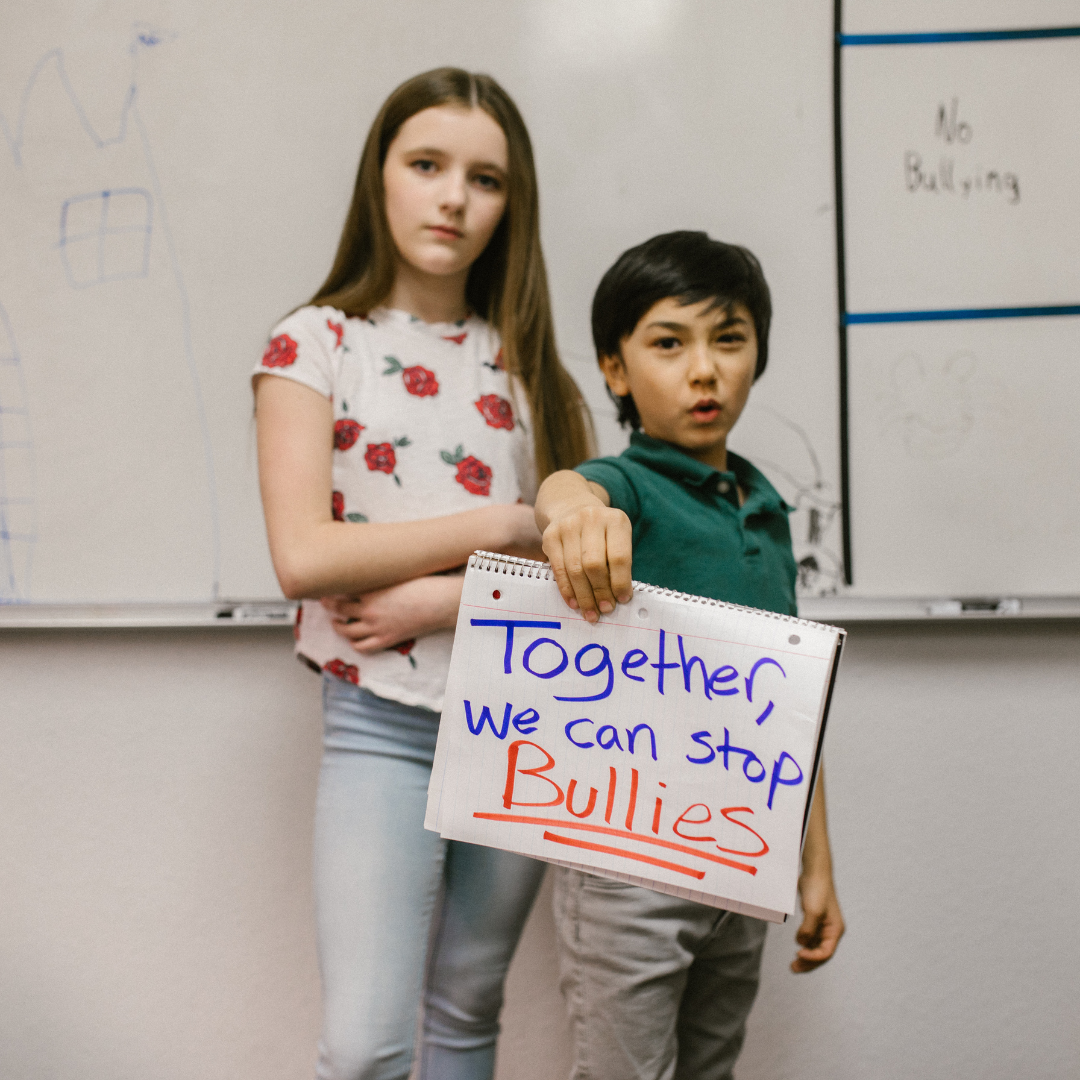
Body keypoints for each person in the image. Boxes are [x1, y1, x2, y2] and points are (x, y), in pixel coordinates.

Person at [253, 68, 592, 1080]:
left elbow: (589, 582)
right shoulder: (313, 344)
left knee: (467, 1008)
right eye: (427, 165)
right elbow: (304, 557)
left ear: (510, 204)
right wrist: (509, 522)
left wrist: (443, 596)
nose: (453, 198)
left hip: (519, 716)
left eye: (485, 179)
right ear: (381, 177)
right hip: (382, 723)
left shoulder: (532, 367)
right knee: (365, 1044)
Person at [534, 231, 844, 1080]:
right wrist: (570, 510)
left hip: (744, 856)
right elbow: (570, 489)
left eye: (729, 340)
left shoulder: (768, 507)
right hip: (628, 863)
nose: (703, 369)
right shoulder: (627, 488)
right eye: (669, 343)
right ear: (615, 369)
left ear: (757, 356)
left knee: (713, 1067)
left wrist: (814, 863)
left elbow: (791, 702)